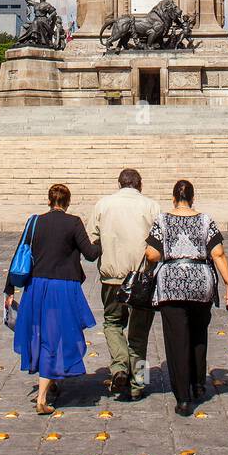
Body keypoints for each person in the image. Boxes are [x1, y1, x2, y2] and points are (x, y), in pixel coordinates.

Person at [145, 179, 228, 417]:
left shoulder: (163, 220)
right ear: (193, 198)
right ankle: (198, 384)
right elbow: (218, 253)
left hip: (172, 285)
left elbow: (152, 253)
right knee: (198, 334)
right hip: (201, 283)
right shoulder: (205, 220)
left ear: (173, 198)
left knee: (176, 340)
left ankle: (183, 399)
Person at [5, 183, 101, 415]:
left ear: (49, 201)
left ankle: (52, 380)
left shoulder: (34, 222)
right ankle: (42, 397)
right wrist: (101, 241)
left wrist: (9, 290)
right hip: (63, 288)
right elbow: (90, 254)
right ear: (67, 202)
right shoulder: (73, 222)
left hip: (37, 286)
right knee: (54, 336)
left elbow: (19, 254)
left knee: (41, 333)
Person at [87, 169, 162, 401]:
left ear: (119, 183)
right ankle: (138, 384)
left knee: (112, 322)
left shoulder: (103, 204)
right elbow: (159, 243)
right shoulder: (151, 206)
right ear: (140, 184)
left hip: (112, 276)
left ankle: (119, 367)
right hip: (143, 279)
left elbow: (92, 239)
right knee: (140, 333)